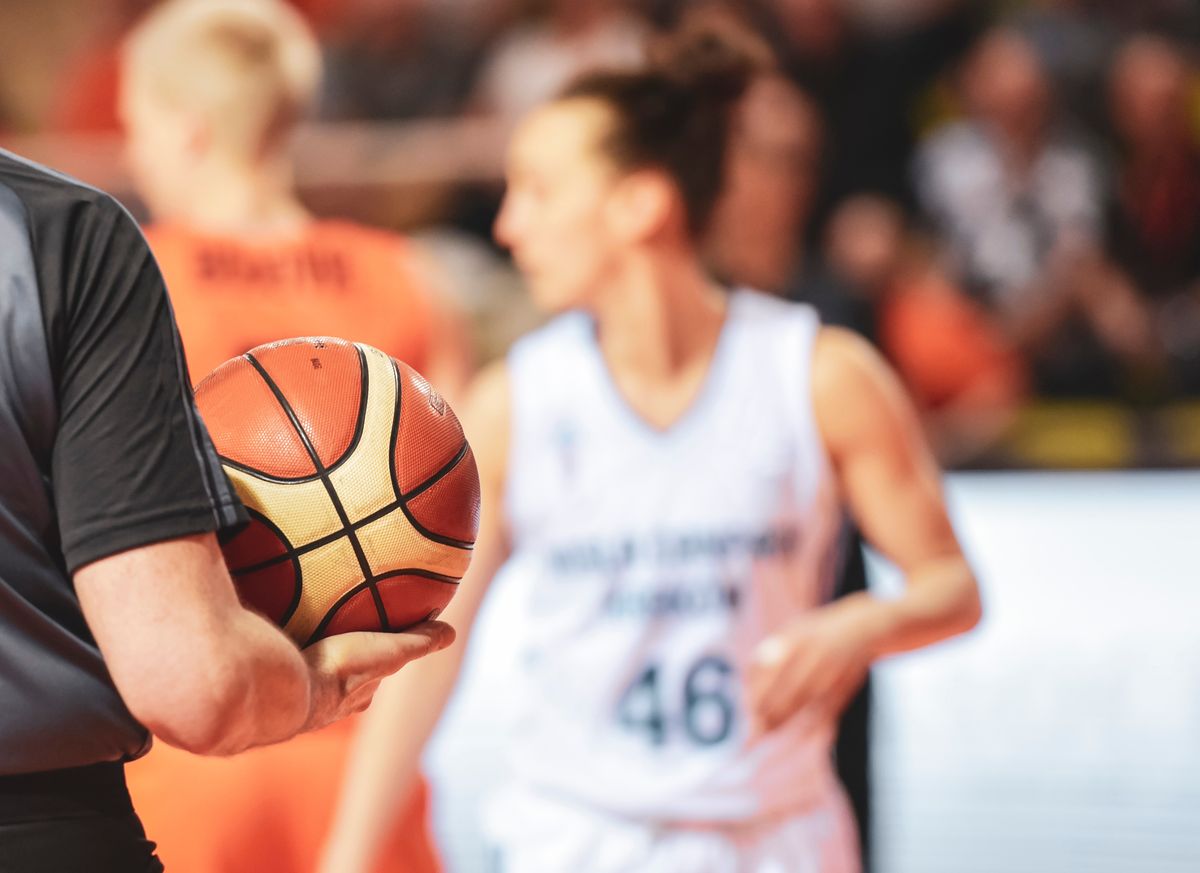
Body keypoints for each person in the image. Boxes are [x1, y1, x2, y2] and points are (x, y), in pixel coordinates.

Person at [321, 21, 982, 873]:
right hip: (575, 836)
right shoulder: (515, 401)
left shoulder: (819, 374)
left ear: (641, 202)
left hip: (774, 835)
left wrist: (863, 624)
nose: (510, 226)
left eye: (539, 191)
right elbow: (428, 652)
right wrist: (347, 854)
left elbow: (952, 586)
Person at [0, 148, 452, 872]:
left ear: (185, 127)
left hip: (192, 778)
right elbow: (450, 540)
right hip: (322, 737)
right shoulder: (406, 274)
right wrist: (321, 687)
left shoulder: (147, 254)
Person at [115, 2, 471, 872]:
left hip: (191, 763)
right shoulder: (412, 280)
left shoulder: (126, 281)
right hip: (366, 766)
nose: (134, 156)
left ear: (187, 128)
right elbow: (456, 574)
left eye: (135, 129)